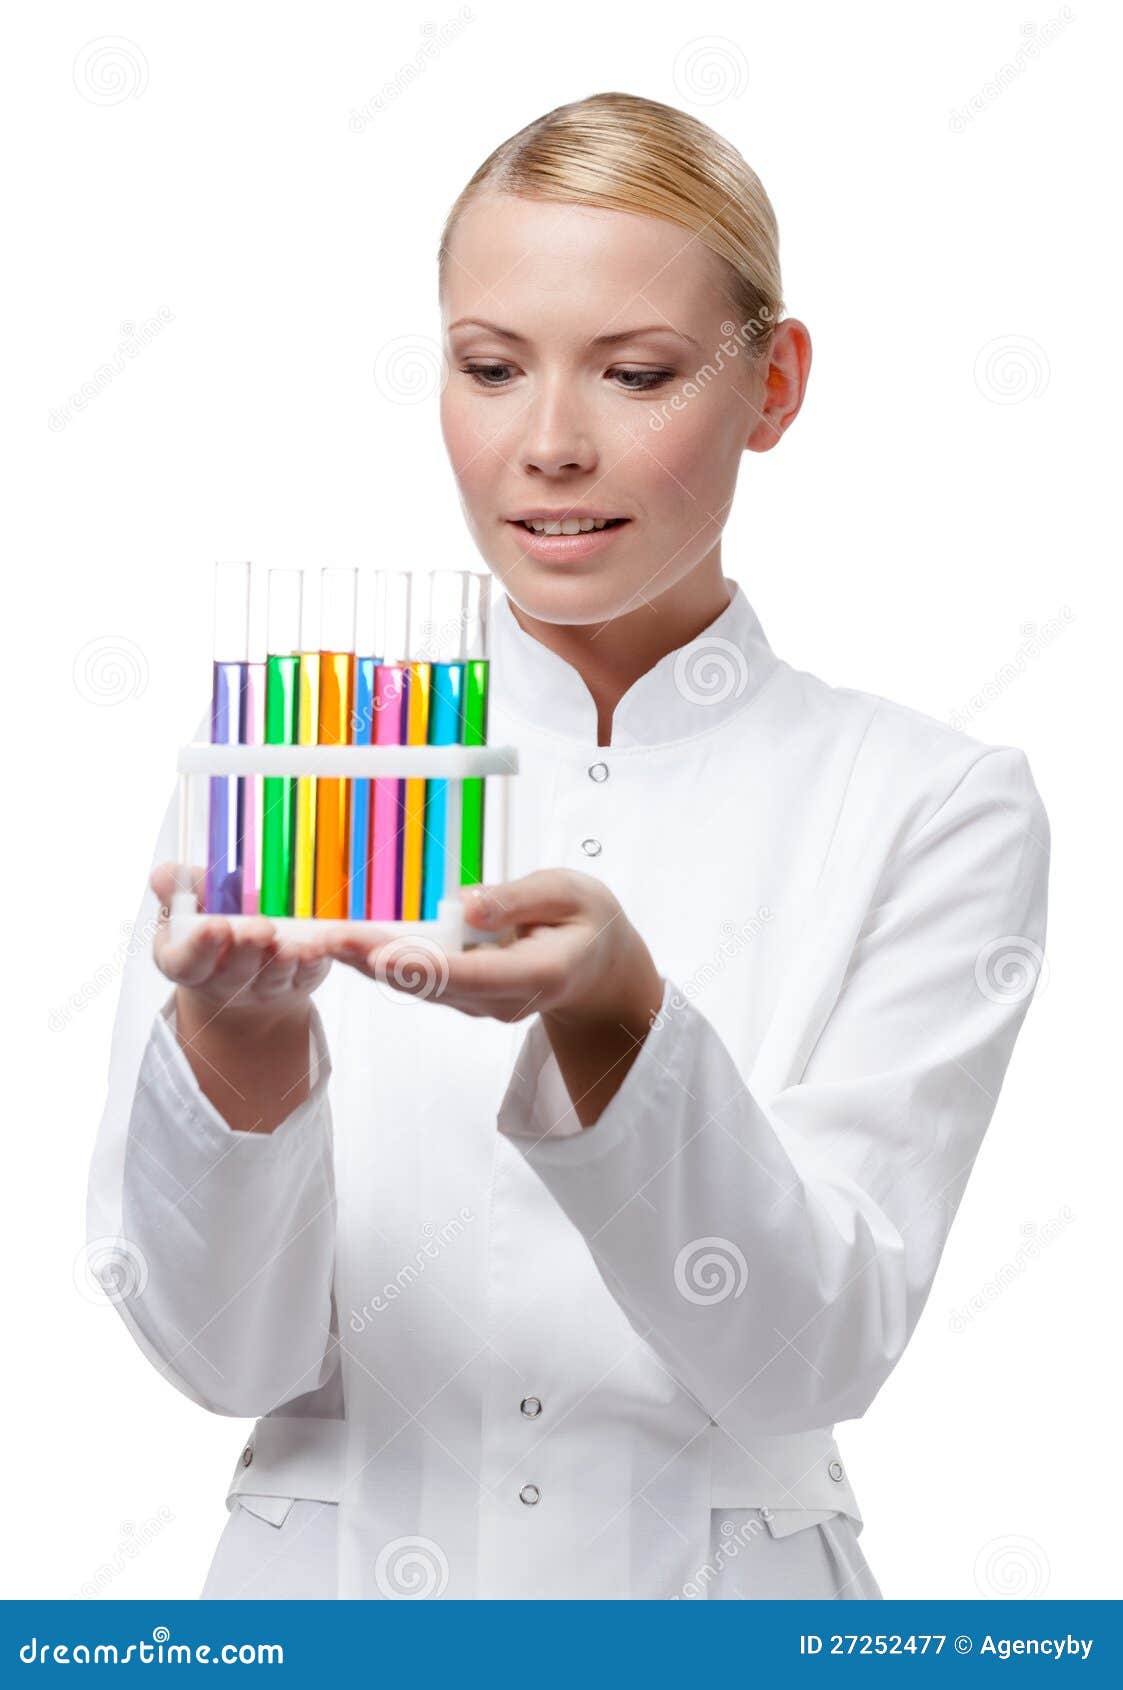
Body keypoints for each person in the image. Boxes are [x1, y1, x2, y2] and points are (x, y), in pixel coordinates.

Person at [86, 91, 1050, 1601]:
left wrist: (621, 1026)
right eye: (489, 367)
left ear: (773, 383)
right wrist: (238, 1058)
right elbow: (221, 1359)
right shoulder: (292, 763)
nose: (548, 443)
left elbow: (816, 1348)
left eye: (639, 373)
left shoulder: (930, 800)